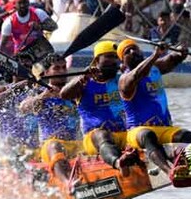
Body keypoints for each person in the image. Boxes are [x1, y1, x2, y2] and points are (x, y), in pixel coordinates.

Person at [117, 39, 191, 179]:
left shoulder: (155, 68)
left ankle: (186, 167)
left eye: (135, 48)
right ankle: (169, 171)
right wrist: (155, 55)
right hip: (138, 132)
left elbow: (171, 59)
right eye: (127, 52)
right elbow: (137, 75)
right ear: (123, 62)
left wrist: (180, 51)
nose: (133, 52)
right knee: (148, 136)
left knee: (189, 136)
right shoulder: (124, 79)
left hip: (163, 128)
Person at [60, 42, 133, 169]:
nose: (113, 61)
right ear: (97, 60)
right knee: (101, 135)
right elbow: (64, 95)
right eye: (108, 57)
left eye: (115, 57)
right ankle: (118, 163)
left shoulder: (122, 80)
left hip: (123, 134)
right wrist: (82, 77)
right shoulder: (84, 82)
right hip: (94, 138)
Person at [24, 57, 83, 186]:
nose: (62, 71)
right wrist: (44, 96)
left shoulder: (74, 91)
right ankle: (68, 182)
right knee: (54, 145)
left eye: (64, 68)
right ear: (46, 73)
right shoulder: (39, 92)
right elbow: (23, 108)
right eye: (56, 68)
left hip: (76, 144)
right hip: (51, 147)